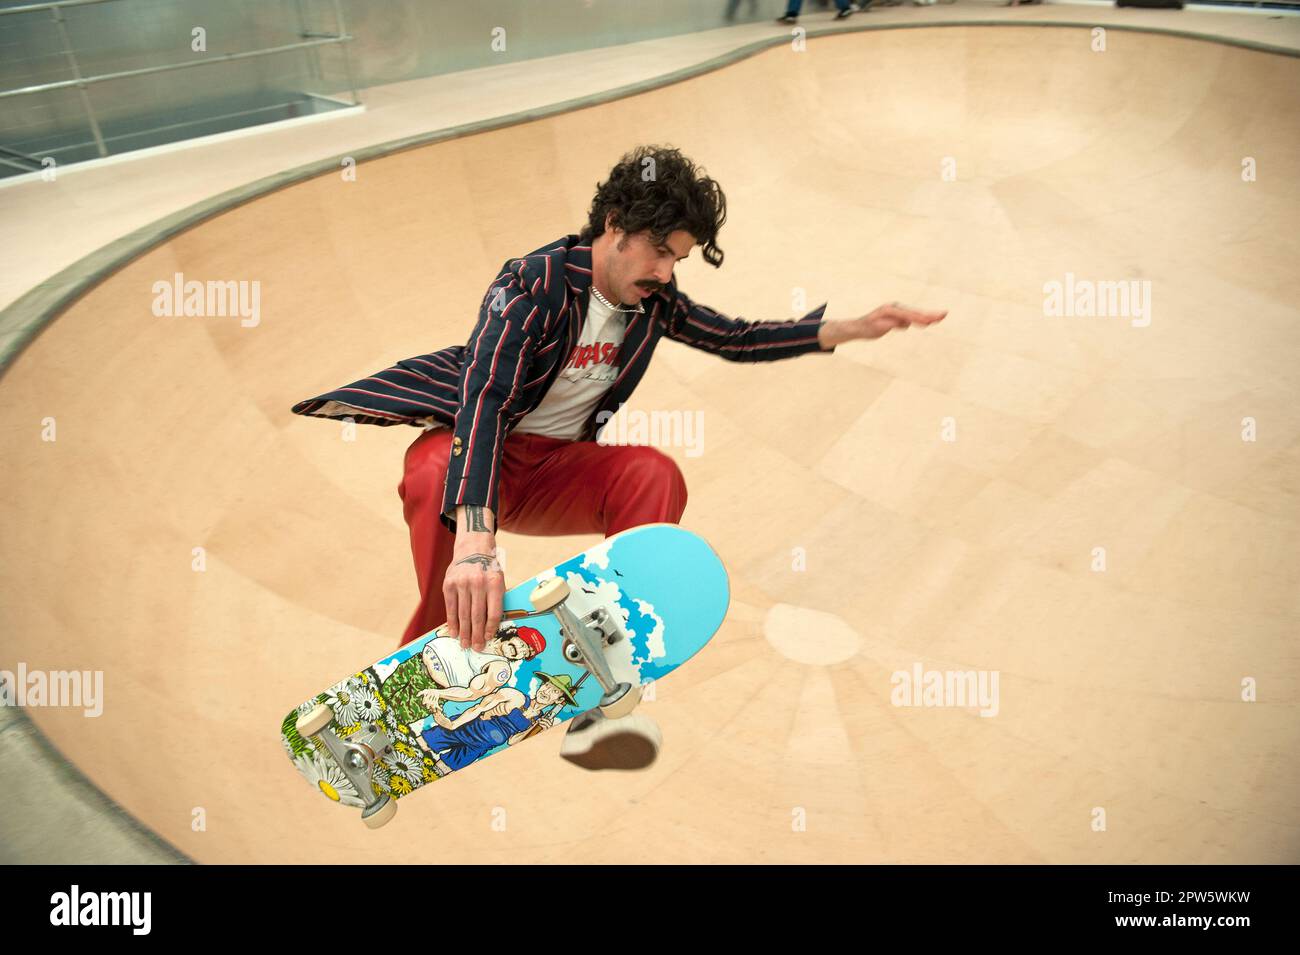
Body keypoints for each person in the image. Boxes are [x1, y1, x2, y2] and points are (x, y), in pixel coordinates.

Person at [291, 144, 946, 655]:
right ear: (615, 226)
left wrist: (847, 328)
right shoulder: (532, 285)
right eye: (660, 251)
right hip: (481, 463)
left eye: (677, 259)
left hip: (556, 474)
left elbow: (737, 338)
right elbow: (485, 399)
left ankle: (606, 631)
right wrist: (475, 547)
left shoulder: (654, 300)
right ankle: (436, 637)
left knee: (654, 473)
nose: (665, 272)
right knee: (429, 465)